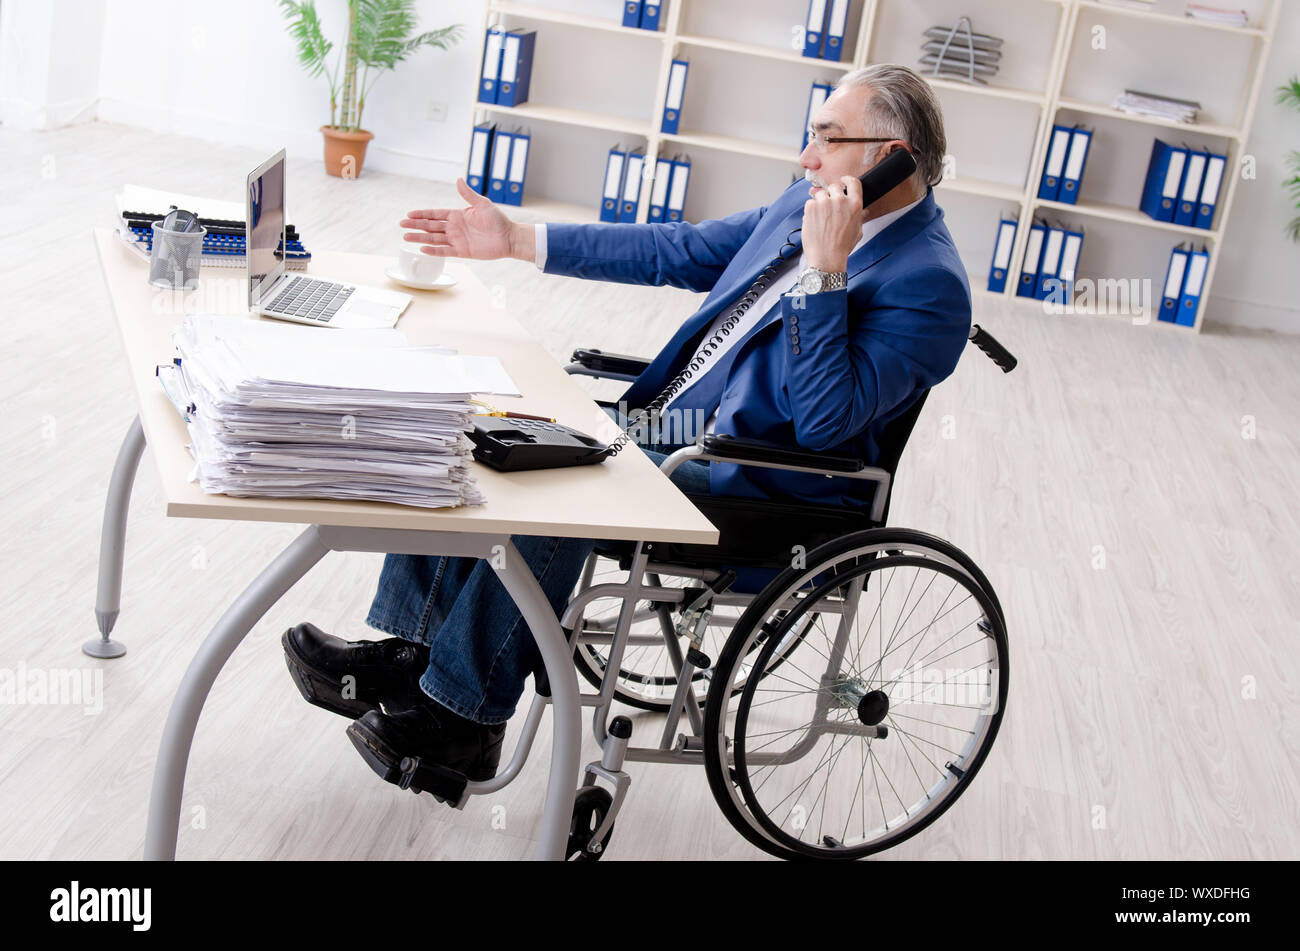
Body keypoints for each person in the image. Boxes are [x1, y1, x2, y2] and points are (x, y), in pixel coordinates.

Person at [282, 64, 973, 799]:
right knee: (485, 422)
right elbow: (675, 248)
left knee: (577, 471)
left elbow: (824, 421)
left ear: (886, 154)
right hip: (678, 429)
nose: (806, 159)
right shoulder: (801, 204)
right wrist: (519, 238)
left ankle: (463, 715)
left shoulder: (928, 284)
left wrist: (826, 273)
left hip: (766, 480)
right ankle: (413, 652)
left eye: (827, 140)